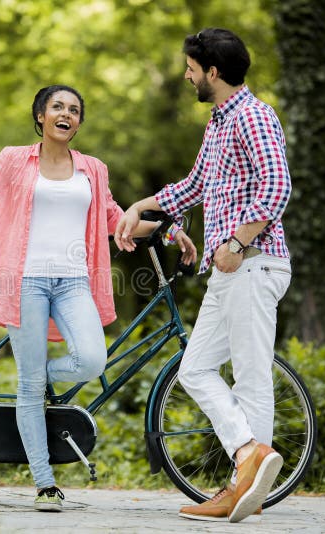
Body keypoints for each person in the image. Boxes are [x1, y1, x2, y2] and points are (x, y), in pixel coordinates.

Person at [0, 85, 188, 512]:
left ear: (79, 122)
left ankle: (38, 374)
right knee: (28, 387)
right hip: (24, 281)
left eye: (74, 110)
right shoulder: (13, 160)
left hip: (75, 281)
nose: (66, 114)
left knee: (92, 360)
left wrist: (168, 231)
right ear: (40, 116)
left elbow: (117, 219)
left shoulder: (93, 170)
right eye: (57, 107)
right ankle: (45, 483)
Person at [115, 28, 292, 523]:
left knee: (252, 378)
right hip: (231, 269)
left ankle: (244, 485)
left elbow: (278, 187)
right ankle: (247, 461)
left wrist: (238, 243)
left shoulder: (254, 115)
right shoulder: (220, 121)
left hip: (252, 263)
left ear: (212, 71)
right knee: (194, 370)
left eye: (191, 67)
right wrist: (141, 204)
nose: (186, 74)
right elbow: (196, 185)